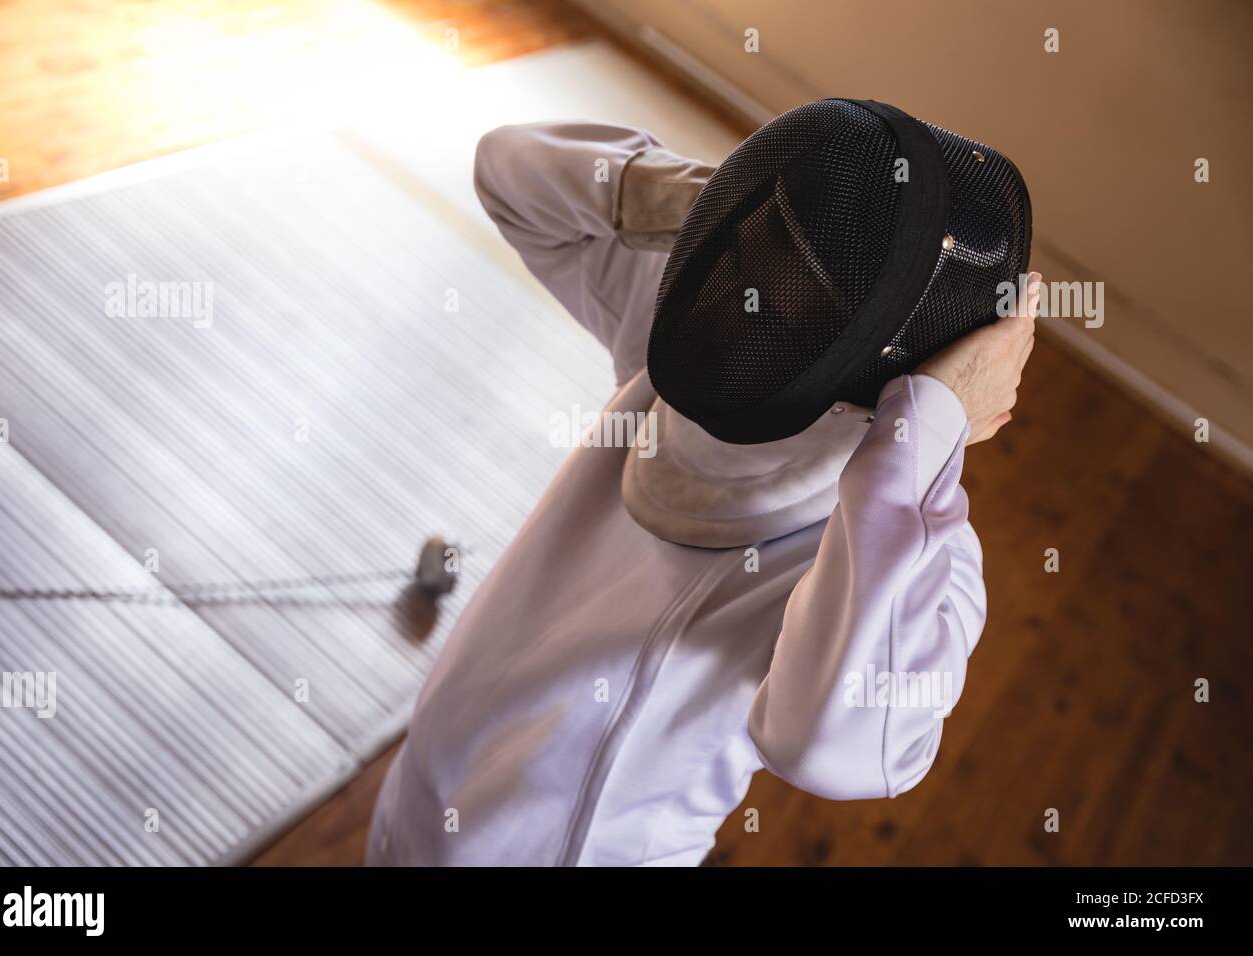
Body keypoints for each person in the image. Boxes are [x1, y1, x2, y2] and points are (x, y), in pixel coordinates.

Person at [366, 116, 1039, 866]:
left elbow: (833, 747)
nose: (761, 291)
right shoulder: (699, 333)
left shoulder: (896, 548)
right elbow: (507, 173)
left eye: (798, 281)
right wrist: (724, 221)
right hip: (414, 799)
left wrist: (915, 442)